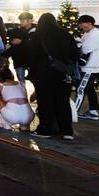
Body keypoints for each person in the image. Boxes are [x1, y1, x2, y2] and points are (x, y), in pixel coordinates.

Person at [28, 12, 76, 140]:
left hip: (43, 74)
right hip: (62, 74)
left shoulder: (37, 35)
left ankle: (45, 130)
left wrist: (32, 74)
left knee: (45, 102)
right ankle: (67, 131)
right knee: (63, 103)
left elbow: (32, 57)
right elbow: (75, 54)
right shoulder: (65, 34)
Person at [74, 15, 99, 120]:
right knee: (90, 89)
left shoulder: (95, 35)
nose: (80, 26)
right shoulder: (88, 33)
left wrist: (78, 45)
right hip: (90, 67)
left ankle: (73, 112)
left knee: (80, 90)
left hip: (90, 68)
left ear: (88, 23)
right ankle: (93, 112)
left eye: (81, 23)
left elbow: (85, 49)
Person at [0, 67, 34, 132]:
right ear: (11, 75)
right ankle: (25, 127)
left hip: (12, 117)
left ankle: (4, 123)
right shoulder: (21, 84)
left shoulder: (0, 86)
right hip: (29, 116)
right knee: (23, 102)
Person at [7, 12, 35, 85]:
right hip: (18, 59)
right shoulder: (16, 30)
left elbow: (34, 44)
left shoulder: (36, 30)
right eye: (20, 20)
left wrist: (21, 42)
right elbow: (11, 41)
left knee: (35, 80)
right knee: (21, 82)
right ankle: (23, 96)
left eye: (23, 20)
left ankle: (35, 96)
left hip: (31, 59)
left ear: (30, 20)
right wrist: (12, 41)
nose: (21, 22)